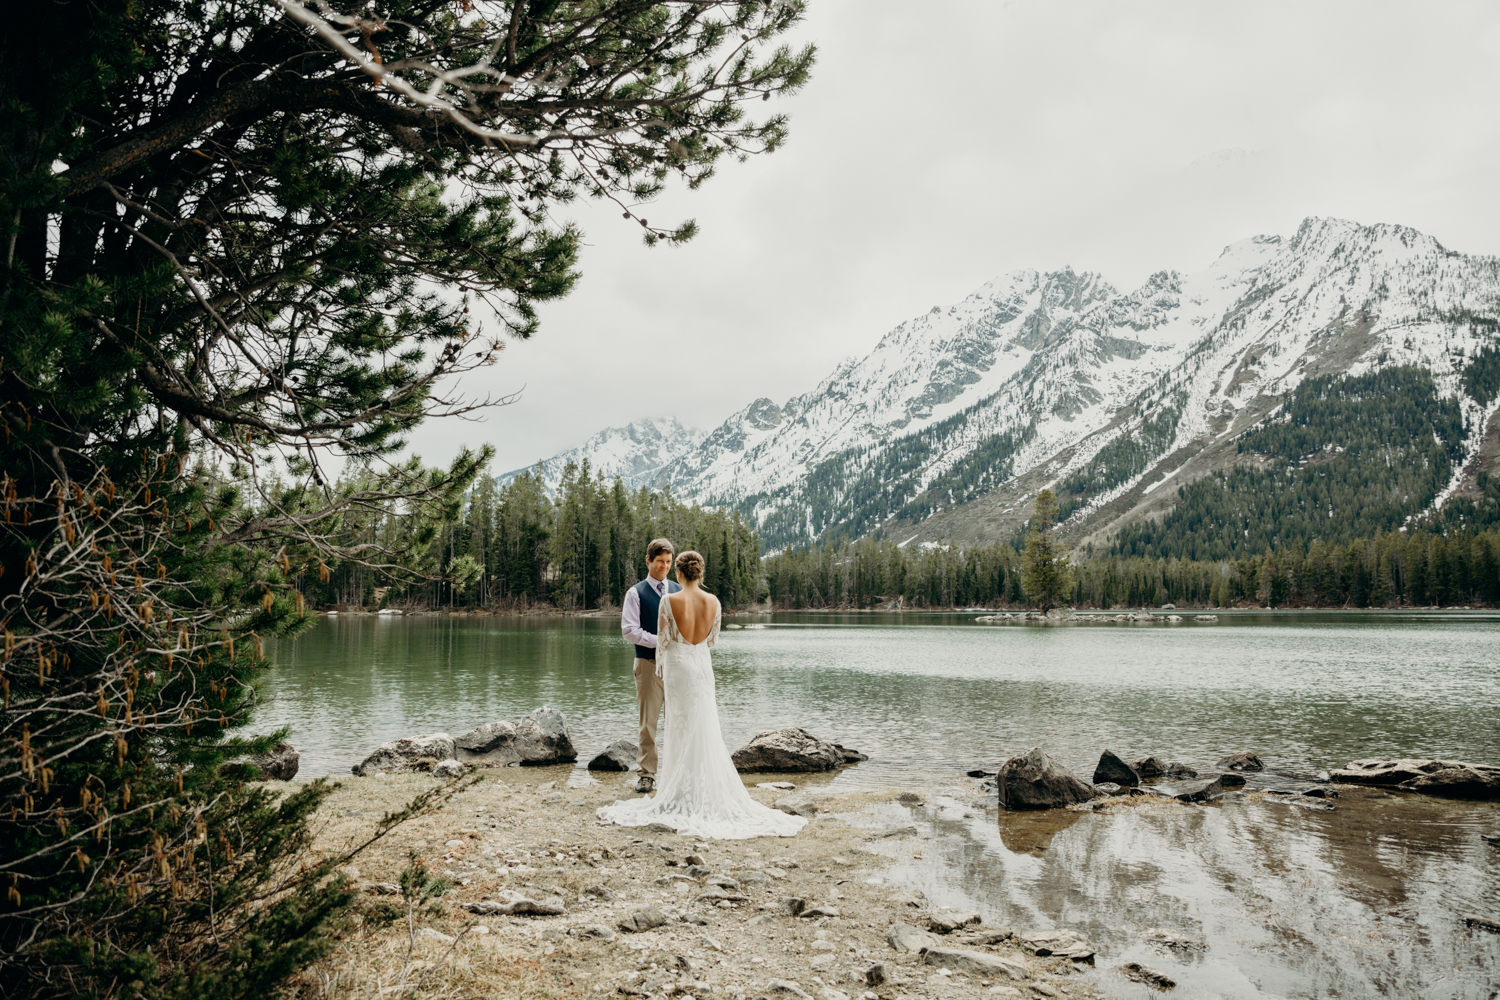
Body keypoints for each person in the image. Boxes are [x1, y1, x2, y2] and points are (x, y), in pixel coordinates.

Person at [598, 550, 806, 839]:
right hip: (702, 669)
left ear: (679, 573)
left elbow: (664, 642)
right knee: (704, 727)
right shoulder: (715, 602)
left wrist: (677, 649)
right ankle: (702, 788)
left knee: (679, 728)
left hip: (678, 668)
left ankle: (678, 789)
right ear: (700, 573)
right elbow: (712, 640)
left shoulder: (668, 600)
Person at [620, 538, 680, 793]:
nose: (664, 567)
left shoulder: (679, 590)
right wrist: (662, 641)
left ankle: (679, 773)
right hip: (647, 663)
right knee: (648, 724)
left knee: (681, 720)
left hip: (678, 667)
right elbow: (630, 631)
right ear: (648, 561)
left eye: (668, 562)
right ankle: (647, 774)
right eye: (660, 562)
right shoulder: (636, 593)